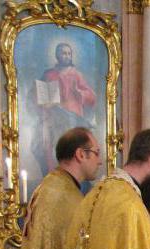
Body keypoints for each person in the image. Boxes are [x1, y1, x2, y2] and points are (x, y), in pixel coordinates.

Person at [33, 42, 97, 176]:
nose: (66, 56)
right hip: (52, 117)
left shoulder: (76, 74)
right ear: (57, 55)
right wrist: (44, 103)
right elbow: (38, 96)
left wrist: (79, 92)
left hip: (71, 119)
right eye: (63, 53)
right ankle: (53, 176)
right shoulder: (49, 74)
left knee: (72, 150)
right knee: (44, 147)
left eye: (69, 53)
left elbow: (91, 97)